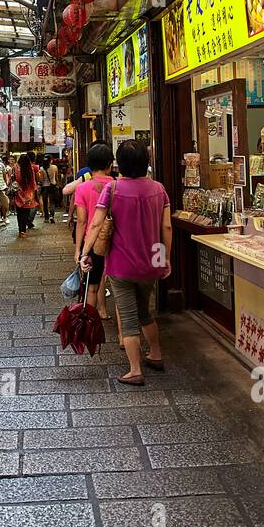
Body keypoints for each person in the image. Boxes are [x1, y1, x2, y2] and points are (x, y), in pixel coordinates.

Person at [80, 139, 172, 386]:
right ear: (146, 162)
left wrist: (85, 252)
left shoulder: (113, 189)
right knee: (145, 311)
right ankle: (155, 353)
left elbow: (97, 224)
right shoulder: (159, 189)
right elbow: (166, 227)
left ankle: (134, 369)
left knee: (129, 318)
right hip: (151, 262)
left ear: (119, 164)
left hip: (121, 265)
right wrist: (165, 259)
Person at [73, 142, 115, 320]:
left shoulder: (82, 188)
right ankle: (122, 336)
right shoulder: (117, 185)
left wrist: (79, 250)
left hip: (93, 242)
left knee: (92, 285)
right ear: (109, 164)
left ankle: (89, 324)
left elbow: (82, 222)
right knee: (120, 288)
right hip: (115, 240)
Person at [10, 151, 40, 237]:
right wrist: (35, 191)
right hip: (28, 194)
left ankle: (21, 230)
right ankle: (23, 230)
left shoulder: (15, 168)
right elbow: (33, 182)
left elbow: (12, 181)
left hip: (18, 193)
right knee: (26, 212)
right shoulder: (30, 168)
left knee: (19, 213)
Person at [43, 154, 61, 223]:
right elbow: (56, 178)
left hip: (44, 186)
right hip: (53, 186)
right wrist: (58, 184)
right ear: (50, 160)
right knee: (52, 202)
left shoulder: (42, 168)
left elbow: (41, 180)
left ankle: (46, 218)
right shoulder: (55, 167)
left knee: (45, 202)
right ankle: (52, 216)